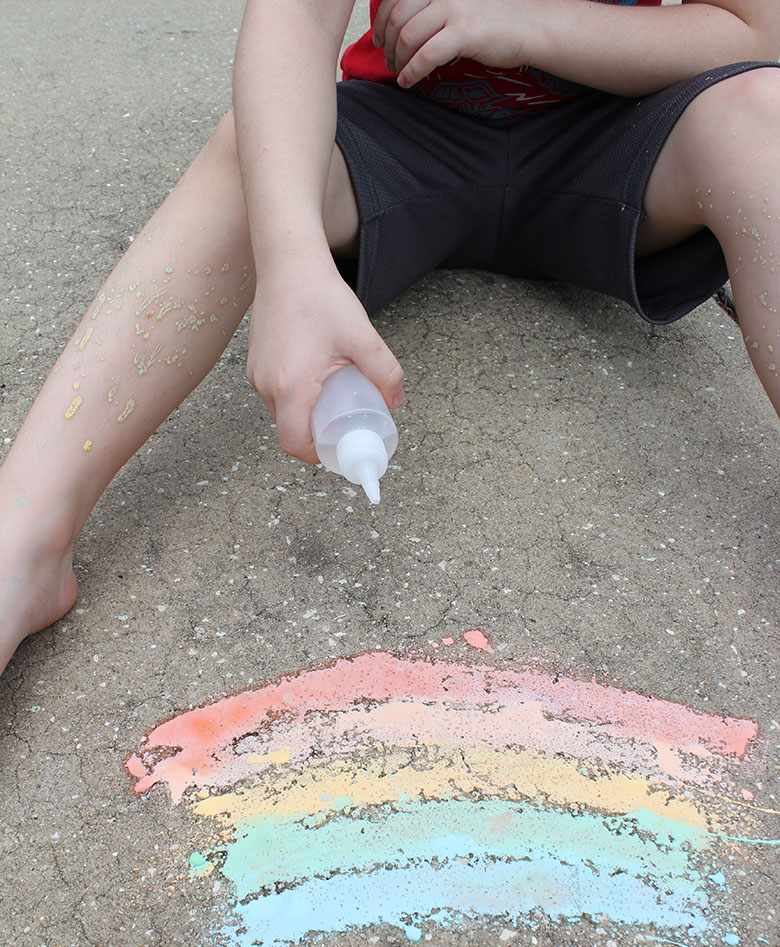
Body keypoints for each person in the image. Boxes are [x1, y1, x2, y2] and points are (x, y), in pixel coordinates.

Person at [1, 0, 779, 678]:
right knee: (255, 150)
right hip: (408, 124)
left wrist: (534, 22)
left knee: (764, 118)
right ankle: (25, 534)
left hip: (620, 132)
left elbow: (755, 30)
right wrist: (290, 257)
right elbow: (298, 17)